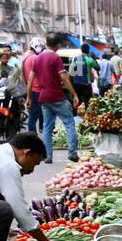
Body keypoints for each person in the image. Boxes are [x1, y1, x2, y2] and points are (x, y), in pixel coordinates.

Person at [31, 32, 79, 163]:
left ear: (46, 43)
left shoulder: (38, 58)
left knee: (47, 127)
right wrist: (74, 94)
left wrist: (28, 96)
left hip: (43, 97)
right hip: (57, 96)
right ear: (57, 45)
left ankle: (47, 156)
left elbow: (31, 78)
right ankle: (72, 153)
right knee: (69, 123)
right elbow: (64, 77)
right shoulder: (55, 58)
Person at [23, 36, 44, 135]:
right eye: (40, 47)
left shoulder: (26, 57)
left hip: (31, 89)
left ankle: (39, 130)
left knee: (35, 114)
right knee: (33, 116)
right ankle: (32, 137)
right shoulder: (35, 58)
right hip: (36, 90)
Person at [69, 41, 97, 108]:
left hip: (77, 84)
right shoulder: (89, 59)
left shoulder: (76, 59)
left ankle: (75, 115)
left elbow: (71, 72)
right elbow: (97, 67)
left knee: (77, 100)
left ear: (81, 50)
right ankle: (87, 116)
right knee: (88, 102)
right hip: (86, 84)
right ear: (88, 50)